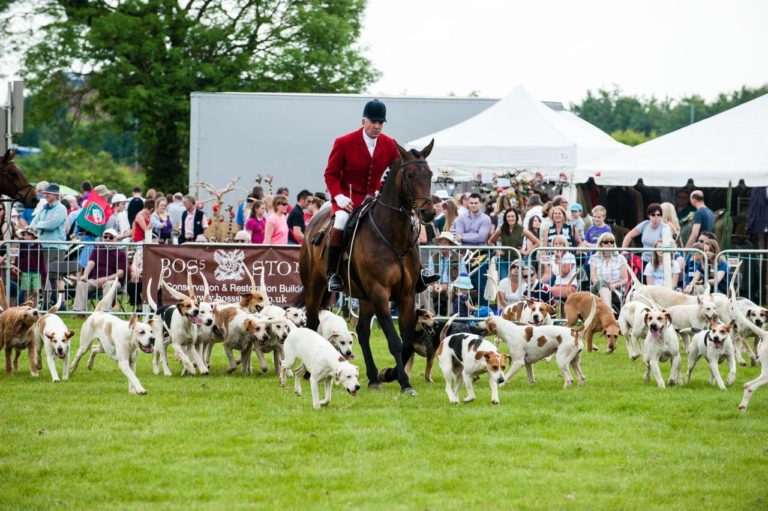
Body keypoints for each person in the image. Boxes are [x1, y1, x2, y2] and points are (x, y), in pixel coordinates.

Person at [323, 98, 438, 292]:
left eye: (380, 123)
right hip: (348, 198)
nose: (377, 126)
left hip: (373, 198)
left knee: (408, 223)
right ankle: (333, 273)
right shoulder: (343, 142)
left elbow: (402, 168)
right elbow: (330, 174)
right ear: (363, 122)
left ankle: (419, 271)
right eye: (373, 122)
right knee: (341, 220)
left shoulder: (389, 144)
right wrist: (338, 196)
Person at [30, 183, 68, 305]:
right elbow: (33, 223)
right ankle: (48, 301)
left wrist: (38, 225)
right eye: (44, 193)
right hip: (44, 246)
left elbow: (52, 225)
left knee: (56, 275)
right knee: (46, 275)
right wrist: (40, 224)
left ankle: (60, 303)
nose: (45, 195)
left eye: (48, 193)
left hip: (55, 246)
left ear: (56, 195)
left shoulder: (61, 208)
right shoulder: (44, 208)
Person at [73, 228, 127, 312]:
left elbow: (120, 273)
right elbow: (90, 263)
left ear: (115, 239)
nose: (107, 239)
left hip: (112, 281)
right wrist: (85, 275)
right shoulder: (97, 249)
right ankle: (80, 312)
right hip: (95, 280)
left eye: (111, 237)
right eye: (105, 237)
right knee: (81, 284)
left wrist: (105, 279)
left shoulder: (120, 253)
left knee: (109, 284)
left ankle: (105, 312)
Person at [426, 231, 464, 314]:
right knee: (426, 290)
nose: (442, 246)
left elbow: (463, 276)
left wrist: (449, 285)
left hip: (452, 285)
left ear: (450, 244)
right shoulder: (433, 258)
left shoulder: (459, 257)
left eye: (445, 243)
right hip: (436, 285)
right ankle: (431, 316)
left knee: (451, 290)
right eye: (441, 243)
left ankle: (449, 318)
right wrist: (435, 285)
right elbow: (430, 276)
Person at [589, 233, 628, 308]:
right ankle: (609, 311)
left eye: (612, 242)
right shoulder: (594, 258)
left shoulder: (620, 258)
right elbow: (593, 279)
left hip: (615, 290)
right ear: (601, 245)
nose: (609, 244)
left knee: (604, 285)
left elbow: (625, 279)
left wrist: (614, 285)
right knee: (601, 283)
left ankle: (607, 312)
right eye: (606, 242)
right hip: (597, 290)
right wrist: (606, 285)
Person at [17, 227, 47, 306]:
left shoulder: (38, 246)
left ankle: (35, 308)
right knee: (26, 291)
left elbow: (42, 260)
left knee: (35, 291)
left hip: (36, 271)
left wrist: (43, 272)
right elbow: (19, 257)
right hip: (25, 271)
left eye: (28, 235)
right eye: (24, 234)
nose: (25, 236)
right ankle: (27, 308)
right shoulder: (22, 245)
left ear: (33, 236)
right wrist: (17, 267)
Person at [541, 235, 577, 301]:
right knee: (539, 288)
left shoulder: (570, 256)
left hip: (568, 287)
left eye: (560, 244)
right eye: (556, 244)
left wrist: (559, 259)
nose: (557, 246)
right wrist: (538, 282)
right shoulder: (553, 257)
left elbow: (563, 273)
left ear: (564, 245)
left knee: (544, 291)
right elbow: (548, 274)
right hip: (557, 286)